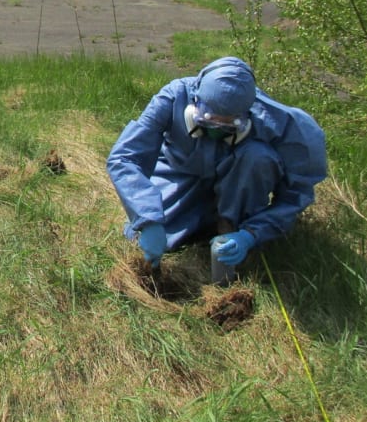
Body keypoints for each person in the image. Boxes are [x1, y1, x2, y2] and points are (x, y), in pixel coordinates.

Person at [106, 56, 326, 271]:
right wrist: (147, 217)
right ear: (195, 102)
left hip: (239, 184)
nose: (215, 131)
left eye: (227, 127)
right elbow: (124, 157)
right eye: (207, 123)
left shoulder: (278, 123)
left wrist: (251, 235)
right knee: (146, 235)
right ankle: (192, 220)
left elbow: (296, 195)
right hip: (181, 175)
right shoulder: (174, 97)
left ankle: (232, 227)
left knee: (258, 156)